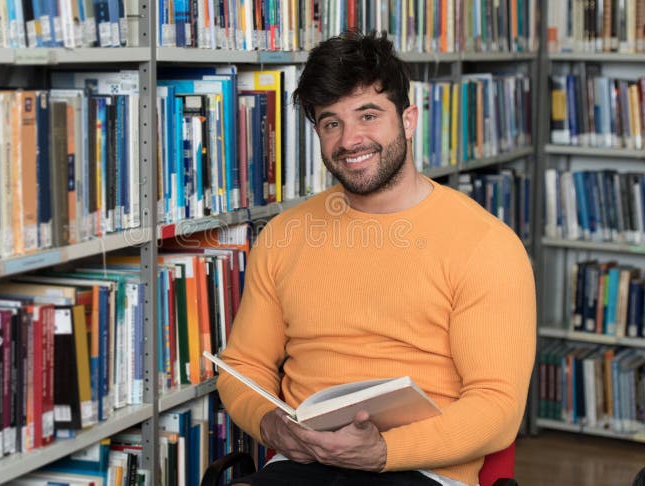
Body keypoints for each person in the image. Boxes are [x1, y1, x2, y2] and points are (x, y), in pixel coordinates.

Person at [215, 30, 536, 486]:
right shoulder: (285, 235)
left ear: (408, 119)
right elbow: (244, 367)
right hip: (300, 465)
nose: (350, 140)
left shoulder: (486, 244)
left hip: (423, 469)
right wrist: (270, 425)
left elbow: (498, 407)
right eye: (331, 123)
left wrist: (384, 452)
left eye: (368, 115)